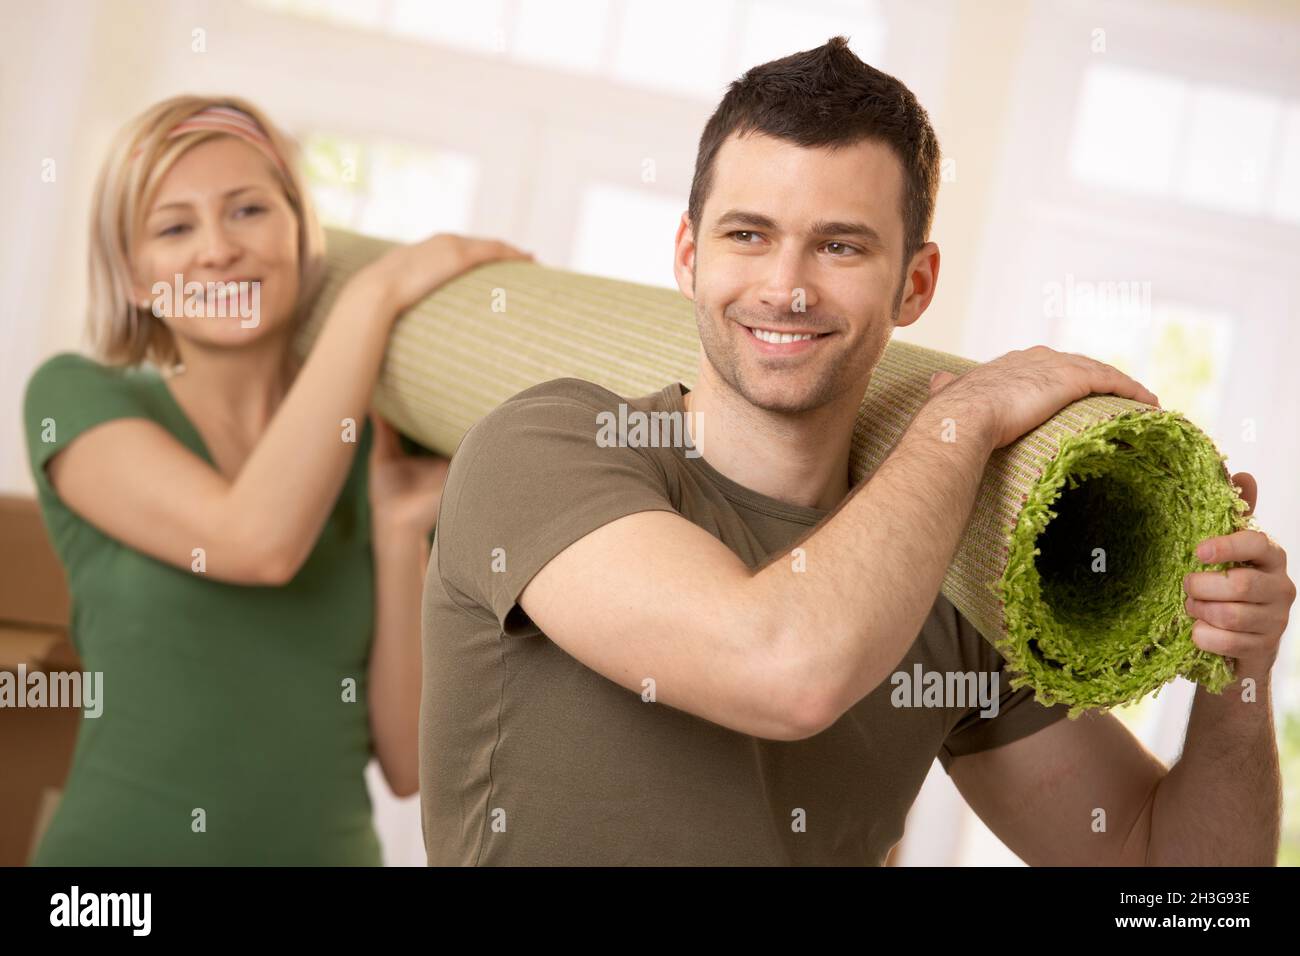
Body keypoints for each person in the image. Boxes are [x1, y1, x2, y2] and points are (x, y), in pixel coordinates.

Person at [420, 38, 1293, 865]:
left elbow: (1179, 886)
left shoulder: (950, 571)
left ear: (915, 283)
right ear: (689, 255)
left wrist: (1237, 679)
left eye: (840, 245)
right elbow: (780, 669)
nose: (786, 288)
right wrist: (966, 419)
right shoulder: (548, 445)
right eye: (748, 234)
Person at [22, 94, 528, 864]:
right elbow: (255, 542)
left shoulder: (380, 454)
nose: (218, 249)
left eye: (249, 210)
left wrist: (398, 537)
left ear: (301, 235)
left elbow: (408, 765)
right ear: (134, 279)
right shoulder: (76, 400)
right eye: (175, 226)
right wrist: (376, 294)